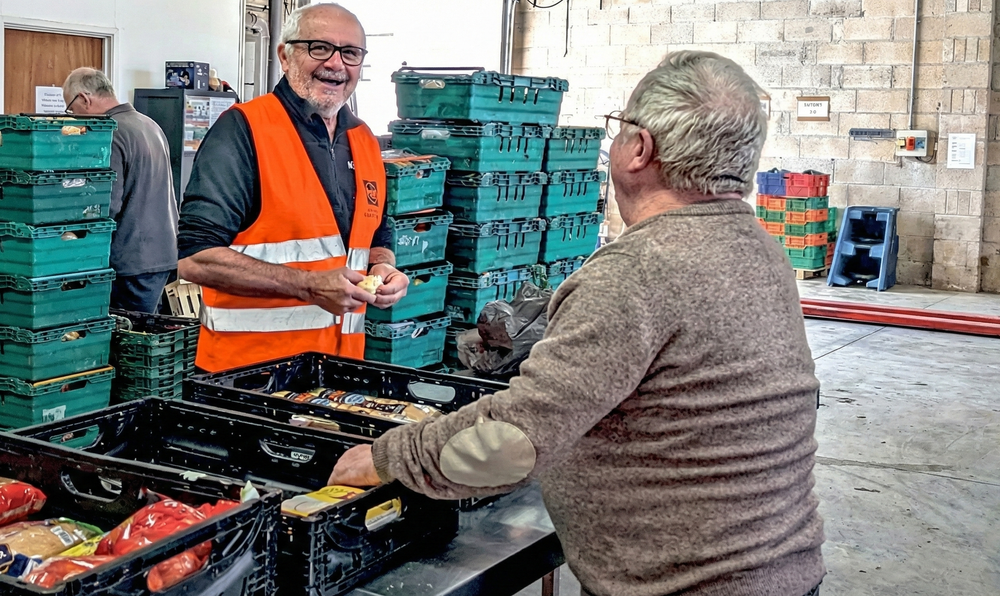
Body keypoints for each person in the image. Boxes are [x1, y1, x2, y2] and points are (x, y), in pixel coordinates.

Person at [330, 51, 826, 596]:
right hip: (778, 570)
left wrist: (386, 459)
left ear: (639, 149)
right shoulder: (761, 249)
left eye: (619, 129)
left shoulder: (637, 272)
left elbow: (511, 440)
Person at [176, 3, 407, 373]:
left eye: (350, 53)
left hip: (338, 372)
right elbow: (194, 257)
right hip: (249, 379)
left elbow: (376, 234)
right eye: (319, 48)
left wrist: (385, 271)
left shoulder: (363, 139)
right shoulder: (244, 129)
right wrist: (308, 285)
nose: (335, 64)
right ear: (284, 56)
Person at [62, 68, 178, 313]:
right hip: (162, 254)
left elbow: (106, 206)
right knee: (145, 334)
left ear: (84, 99)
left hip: (131, 259)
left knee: (127, 340)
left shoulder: (111, 133)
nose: (73, 117)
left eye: (71, 110)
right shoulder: (149, 125)